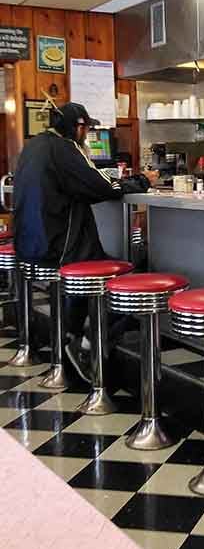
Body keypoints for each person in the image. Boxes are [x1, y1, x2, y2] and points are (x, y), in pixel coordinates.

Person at [13, 102, 158, 379]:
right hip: (58, 244)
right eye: (87, 128)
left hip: (30, 244)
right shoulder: (64, 148)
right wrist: (142, 181)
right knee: (127, 278)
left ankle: (71, 333)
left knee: (91, 266)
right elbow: (103, 187)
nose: (87, 133)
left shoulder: (34, 145)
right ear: (78, 127)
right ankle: (89, 340)